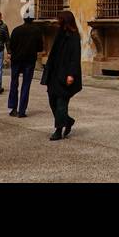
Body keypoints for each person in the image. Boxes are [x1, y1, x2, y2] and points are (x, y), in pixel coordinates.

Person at [44, 10, 82, 141]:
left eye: (59, 19)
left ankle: (58, 130)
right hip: (54, 73)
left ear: (65, 20)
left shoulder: (74, 36)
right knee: (52, 100)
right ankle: (68, 121)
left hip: (65, 74)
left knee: (61, 102)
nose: (57, 21)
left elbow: (75, 57)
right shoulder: (59, 34)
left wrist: (71, 74)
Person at [7, 6, 45, 118]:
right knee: (26, 85)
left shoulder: (16, 30)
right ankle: (22, 110)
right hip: (29, 60)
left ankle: (13, 108)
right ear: (33, 18)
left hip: (16, 60)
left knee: (14, 83)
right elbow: (40, 48)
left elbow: (11, 46)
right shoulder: (37, 31)